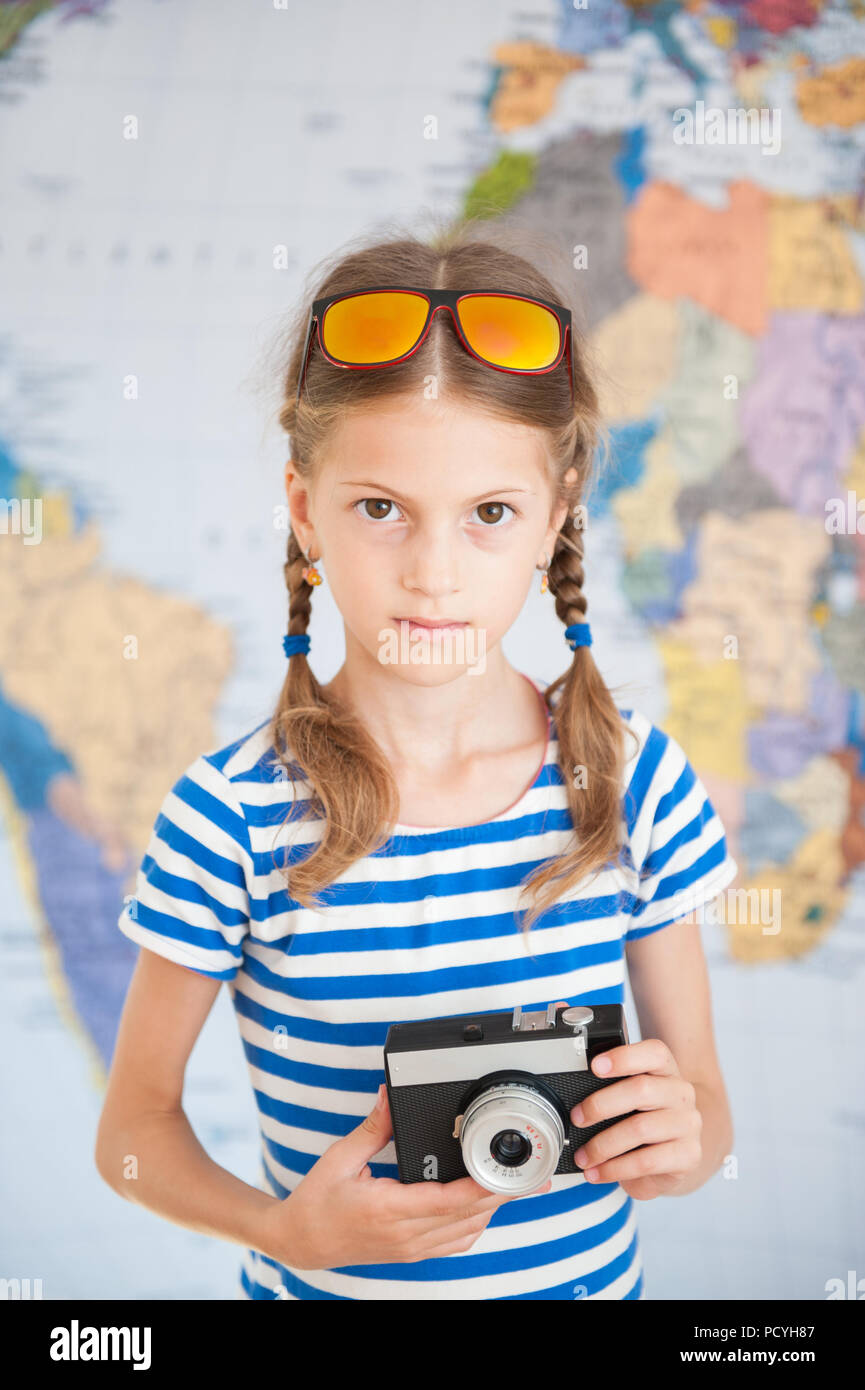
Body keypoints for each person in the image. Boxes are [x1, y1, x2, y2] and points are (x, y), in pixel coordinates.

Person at [95, 222, 739, 1300]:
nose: (433, 574)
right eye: (380, 508)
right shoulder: (230, 818)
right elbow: (130, 1133)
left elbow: (707, 1116)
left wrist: (681, 1143)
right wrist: (284, 1231)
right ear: (304, 510)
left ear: (556, 518)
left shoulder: (636, 785)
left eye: (490, 513)